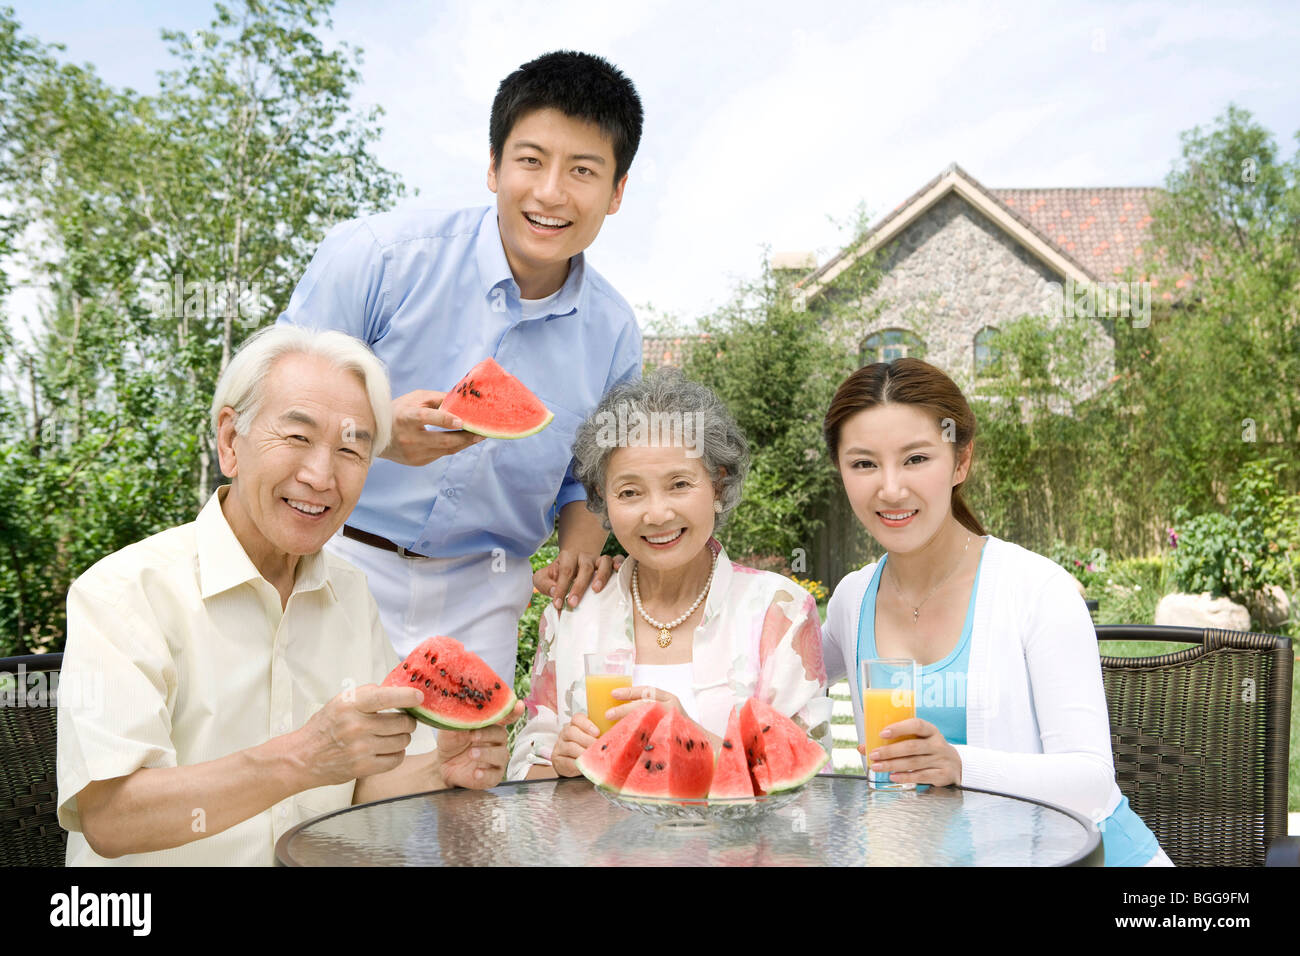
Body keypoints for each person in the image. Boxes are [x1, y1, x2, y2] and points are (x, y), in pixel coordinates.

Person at [56, 326, 519, 865]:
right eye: (297, 438)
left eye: (351, 448)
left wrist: (441, 767)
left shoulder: (351, 593)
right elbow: (111, 818)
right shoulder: (124, 592)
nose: (321, 476)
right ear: (231, 441)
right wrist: (303, 757)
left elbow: (362, 789)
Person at [276, 50, 645, 683]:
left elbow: (588, 481)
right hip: (330, 556)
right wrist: (376, 431)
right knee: (313, 779)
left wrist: (579, 556)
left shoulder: (614, 334)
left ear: (615, 193)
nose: (551, 192)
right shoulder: (378, 258)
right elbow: (270, 407)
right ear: (494, 167)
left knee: (458, 781)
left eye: (583, 170)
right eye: (530, 161)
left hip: (484, 592)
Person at [819, 357, 1173, 866]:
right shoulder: (852, 600)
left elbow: (1093, 783)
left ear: (961, 461)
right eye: (863, 463)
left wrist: (959, 763)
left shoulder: (1036, 591)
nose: (890, 488)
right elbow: (775, 678)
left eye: (916, 459)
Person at [508, 369, 832, 780]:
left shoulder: (780, 612)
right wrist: (560, 764)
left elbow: (814, 779)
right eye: (629, 492)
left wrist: (694, 743)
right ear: (602, 501)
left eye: (679, 484)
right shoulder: (572, 610)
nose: (657, 513)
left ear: (717, 486)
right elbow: (522, 772)